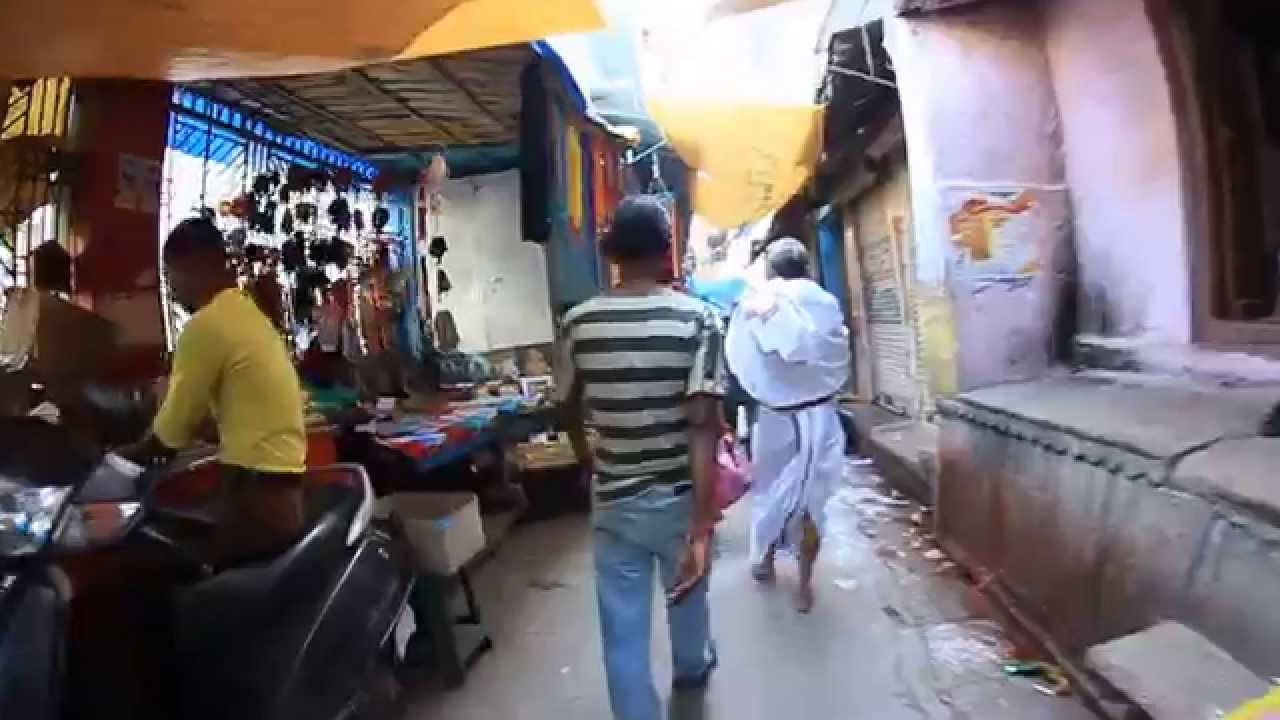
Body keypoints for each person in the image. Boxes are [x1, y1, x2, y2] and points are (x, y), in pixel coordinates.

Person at [556, 195, 724, 720]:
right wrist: (701, 523)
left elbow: (565, 410)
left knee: (622, 630)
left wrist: (591, 459)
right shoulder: (700, 319)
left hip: (613, 497)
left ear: (612, 253)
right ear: (666, 250)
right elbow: (703, 428)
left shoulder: (579, 323)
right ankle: (691, 667)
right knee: (688, 587)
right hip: (676, 494)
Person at [123, 217, 307, 564]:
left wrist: (117, 461)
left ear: (193, 266)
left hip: (256, 501)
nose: (172, 291)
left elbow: (170, 433)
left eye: (170, 276)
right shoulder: (245, 312)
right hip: (283, 494)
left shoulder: (206, 325)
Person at [726, 238, 851, 613]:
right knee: (813, 502)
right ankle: (805, 583)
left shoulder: (759, 302)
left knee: (770, 491)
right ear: (806, 267)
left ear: (772, 269)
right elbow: (835, 351)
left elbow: (742, 360)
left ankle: (764, 559)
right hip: (822, 418)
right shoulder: (825, 302)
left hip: (776, 417)